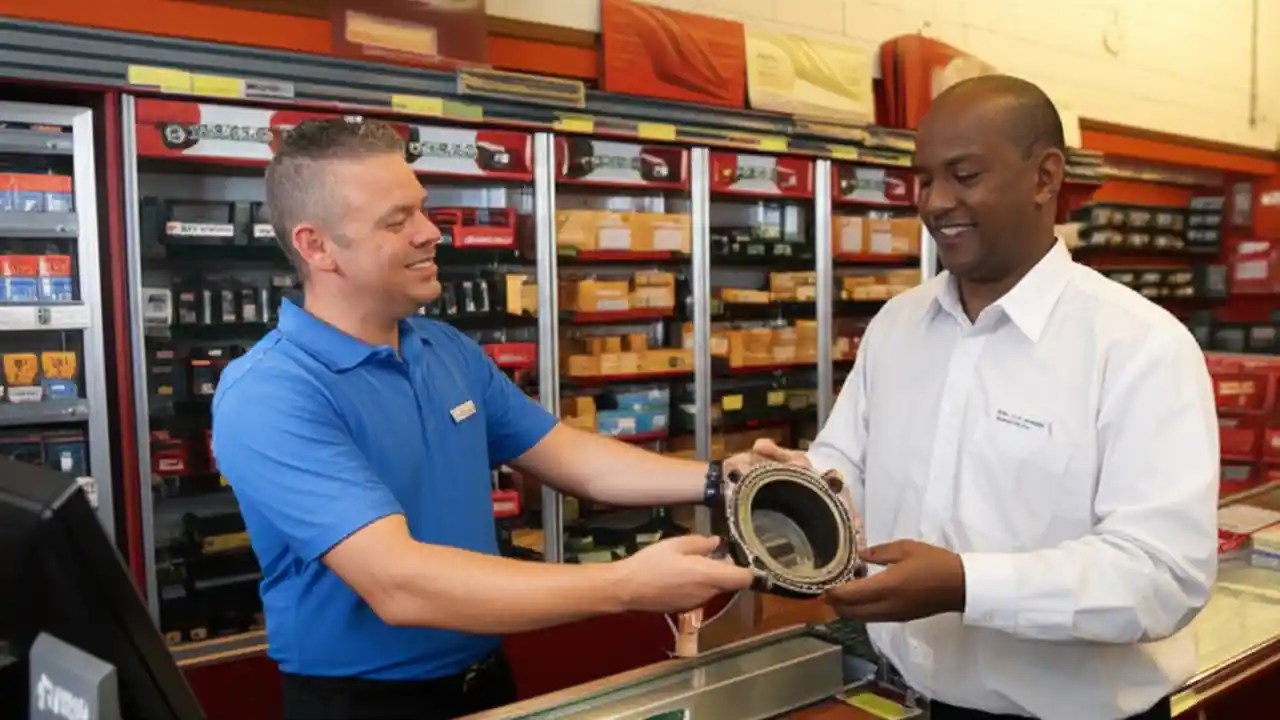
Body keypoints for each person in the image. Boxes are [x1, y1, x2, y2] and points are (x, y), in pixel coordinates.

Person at [210, 118, 752, 720]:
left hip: (486, 679)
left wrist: (722, 479)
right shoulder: (273, 393)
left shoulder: (443, 349)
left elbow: (570, 457)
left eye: (421, 210)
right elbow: (398, 583)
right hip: (363, 705)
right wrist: (624, 585)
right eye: (396, 221)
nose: (429, 233)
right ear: (316, 246)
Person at [739, 75, 1218, 720]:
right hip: (911, 698)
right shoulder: (897, 326)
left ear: (1046, 178)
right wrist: (796, 485)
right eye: (924, 179)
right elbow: (845, 467)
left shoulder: (1140, 346)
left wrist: (965, 585)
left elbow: (1163, 575)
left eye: (964, 176)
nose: (936, 203)